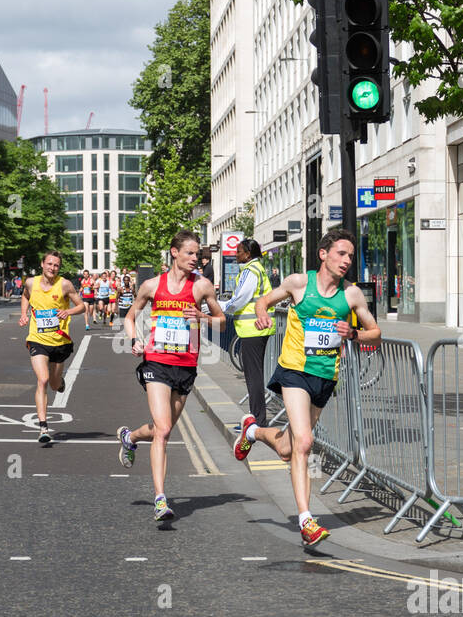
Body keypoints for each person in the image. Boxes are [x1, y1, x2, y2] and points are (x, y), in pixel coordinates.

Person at [233, 228, 382, 548]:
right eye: (341, 253)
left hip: (326, 376)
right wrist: (261, 315)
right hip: (294, 371)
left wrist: (353, 335)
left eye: (351, 256)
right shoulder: (300, 283)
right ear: (323, 254)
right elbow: (264, 301)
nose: (347, 260)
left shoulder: (352, 295)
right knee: (304, 441)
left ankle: (252, 432)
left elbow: (376, 333)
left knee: (289, 448)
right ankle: (306, 519)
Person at [116, 230, 225, 522]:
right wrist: (134, 339)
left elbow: (222, 322)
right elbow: (129, 315)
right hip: (157, 361)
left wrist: (202, 318)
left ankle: (130, 436)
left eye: (198, 254)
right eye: (190, 253)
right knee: (163, 430)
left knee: (161, 429)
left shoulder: (203, 287)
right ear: (174, 252)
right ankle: (161, 499)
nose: (196, 258)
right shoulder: (152, 286)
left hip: (186, 364)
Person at [19, 250, 85, 444]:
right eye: (49, 264)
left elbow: (82, 306)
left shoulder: (64, 284)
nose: (52, 268)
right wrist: (24, 314)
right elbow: (25, 296)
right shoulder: (31, 283)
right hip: (37, 339)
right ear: (42, 264)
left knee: (55, 384)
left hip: (59, 342)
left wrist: (68, 311)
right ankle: (43, 427)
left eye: (56, 265)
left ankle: (60, 382)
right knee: (43, 379)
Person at [222, 239, 274, 431]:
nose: (236, 255)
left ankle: (257, 421)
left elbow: (240, 299)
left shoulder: (249, 271)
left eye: (239, 251)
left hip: (253, 328)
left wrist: (219, 308)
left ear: (248, 254)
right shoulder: (258, 268)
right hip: (257, 328)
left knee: (253, 377)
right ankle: (256, 418)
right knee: (255, 375)